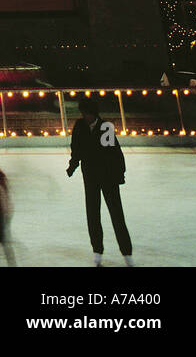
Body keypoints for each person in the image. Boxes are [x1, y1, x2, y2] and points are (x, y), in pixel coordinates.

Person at [67, 92, 132, 266]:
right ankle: (97, 251)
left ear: (93, 113)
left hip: (108, 178)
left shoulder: (105, 127)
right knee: (93, 215)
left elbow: (114, 153)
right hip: (90, 178)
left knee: (117, 215)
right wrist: (72, 166)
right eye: (82, 113)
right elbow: (77, 150)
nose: (84, 116)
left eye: (86, 113)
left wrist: (120, 175)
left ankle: (127, 253)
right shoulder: (80, 127)